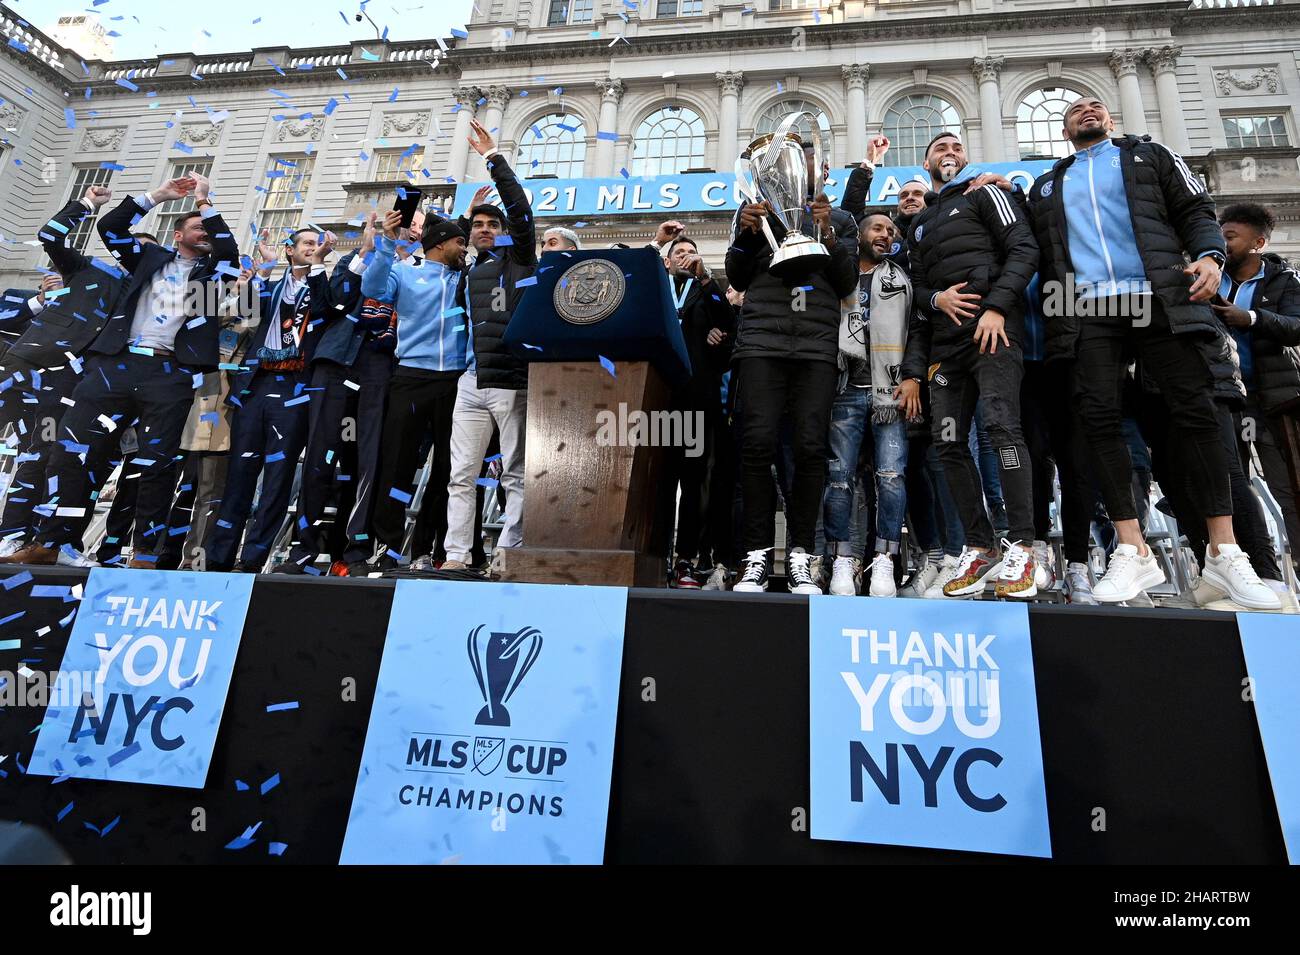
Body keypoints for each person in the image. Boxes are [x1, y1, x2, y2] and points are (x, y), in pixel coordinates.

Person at [1027, 96, 1279, 609]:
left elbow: (1194, 209)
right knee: (1098, 417)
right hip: (1090, 309)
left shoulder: (1150, 154)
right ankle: (1131, 547)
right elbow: (1027, 243)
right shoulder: (1048, 183)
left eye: (1095, 105)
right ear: (1064, 129)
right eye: (1075, 110)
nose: (1087, 111)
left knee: (1197, 413)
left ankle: (1226, 552)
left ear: (1111, 120)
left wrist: (1209, 256)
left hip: (1159, 298)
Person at [1, 173, 240, 568]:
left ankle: (144, 554)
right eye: (197, 227)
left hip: (172, 372)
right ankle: (51, 542)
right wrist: (157, 196)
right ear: (177, 236)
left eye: (208, 227)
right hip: (116, 363)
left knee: (157, 464)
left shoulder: (215, 275)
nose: (206, 232)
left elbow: (229, 247)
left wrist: (203, 202)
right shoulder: (148, 259)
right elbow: (111, 226)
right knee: (70, 451)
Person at [906, 131, 1040, 598]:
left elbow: (1025, 249)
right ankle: (979, 547)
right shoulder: (917, 225)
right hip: (946, 351)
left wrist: (998, 307)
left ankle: (1023, 547)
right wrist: (936, 297)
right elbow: (915, 292)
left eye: (956, 148)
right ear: (926, 164)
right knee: (947, 445)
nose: (949, 153)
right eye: (940, 149)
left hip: (993, 334)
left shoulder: (986, 194)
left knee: (1003, 429)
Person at [726, 186, 857, 594]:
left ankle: (801, 553)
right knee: (757, 446)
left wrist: (828, 234)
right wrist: (747, 235)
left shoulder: (835, 218)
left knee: (809, 449)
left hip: (815, 349)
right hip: (761, 346)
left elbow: (847, 280)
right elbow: (736, 275)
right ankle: (757, 556)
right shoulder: (751, 214)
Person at [441, 119, 535, 572]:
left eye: (490, 224)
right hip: (470, 383)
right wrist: (463, 217)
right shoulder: (466, 270)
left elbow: (519, 210)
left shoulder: (518, 257)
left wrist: (493, 158)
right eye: (475, 225)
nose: (483, 229)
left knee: (515, 473)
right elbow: (441, 242)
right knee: (461, 475)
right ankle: (457, 555)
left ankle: (508, 554)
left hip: (511, 381)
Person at [823, 212, 924, 596]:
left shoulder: (902, 279)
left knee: (892, 477)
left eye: (891, 231)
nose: (886, 235)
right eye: (878, 229)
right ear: (861, 234)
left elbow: (916, 329)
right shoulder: (840, 275)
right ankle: (841, 560)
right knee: (839, 477)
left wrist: (913, 376)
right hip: (845, 388)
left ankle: (884, 559)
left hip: (891, 391)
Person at [362, 209, 470, 572]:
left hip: (456, 380)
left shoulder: (466, 279)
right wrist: (387, 242)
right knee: (398, 465)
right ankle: (386, 548)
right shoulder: (405, 271)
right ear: (440, 245)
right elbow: (372, 288)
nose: (465, 247)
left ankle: (427, 550)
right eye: (459, 241)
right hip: (411, 377)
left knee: (447, 469)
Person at [1215, 202, 1300, 581]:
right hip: (1226, 402)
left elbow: (1295, 326)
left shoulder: (1285, 281)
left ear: (1258, 242)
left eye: (1230, 236)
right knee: (1234, 488)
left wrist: (1249, 318)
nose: (1222, 242)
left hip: (1277, 403)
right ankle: (1260, 574)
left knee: (1290, 491)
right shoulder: (1209, 278)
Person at [657, 231, 735, 589]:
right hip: (659, 400)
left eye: (692, 252)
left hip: (697, 403)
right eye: (680, 253)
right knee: (659, 481)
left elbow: (728, 321)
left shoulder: (707, 290)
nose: (686, 256)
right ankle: (656, 557)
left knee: (692, 483)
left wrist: (706, 276)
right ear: (669, 261)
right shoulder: (658, 289)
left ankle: (686, 559)